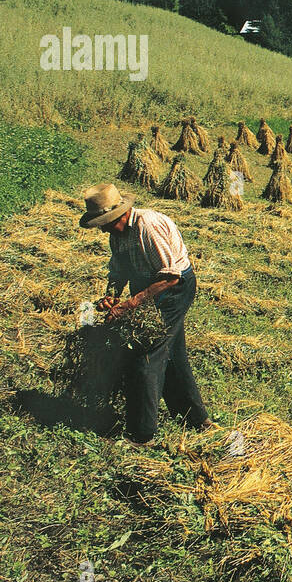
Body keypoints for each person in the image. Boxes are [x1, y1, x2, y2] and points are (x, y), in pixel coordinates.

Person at [77, 182, 211, 445]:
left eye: (104, 222)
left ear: (120, 214)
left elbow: (170, 277)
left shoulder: (147, 227)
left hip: (173, 289)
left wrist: (129, 305)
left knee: (145, 354)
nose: (102, 228)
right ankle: (195, 418)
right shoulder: (116, 235)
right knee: (172, 352)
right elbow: (119, 271)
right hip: (146, 286)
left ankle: (142, 434)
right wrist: (112, 295)